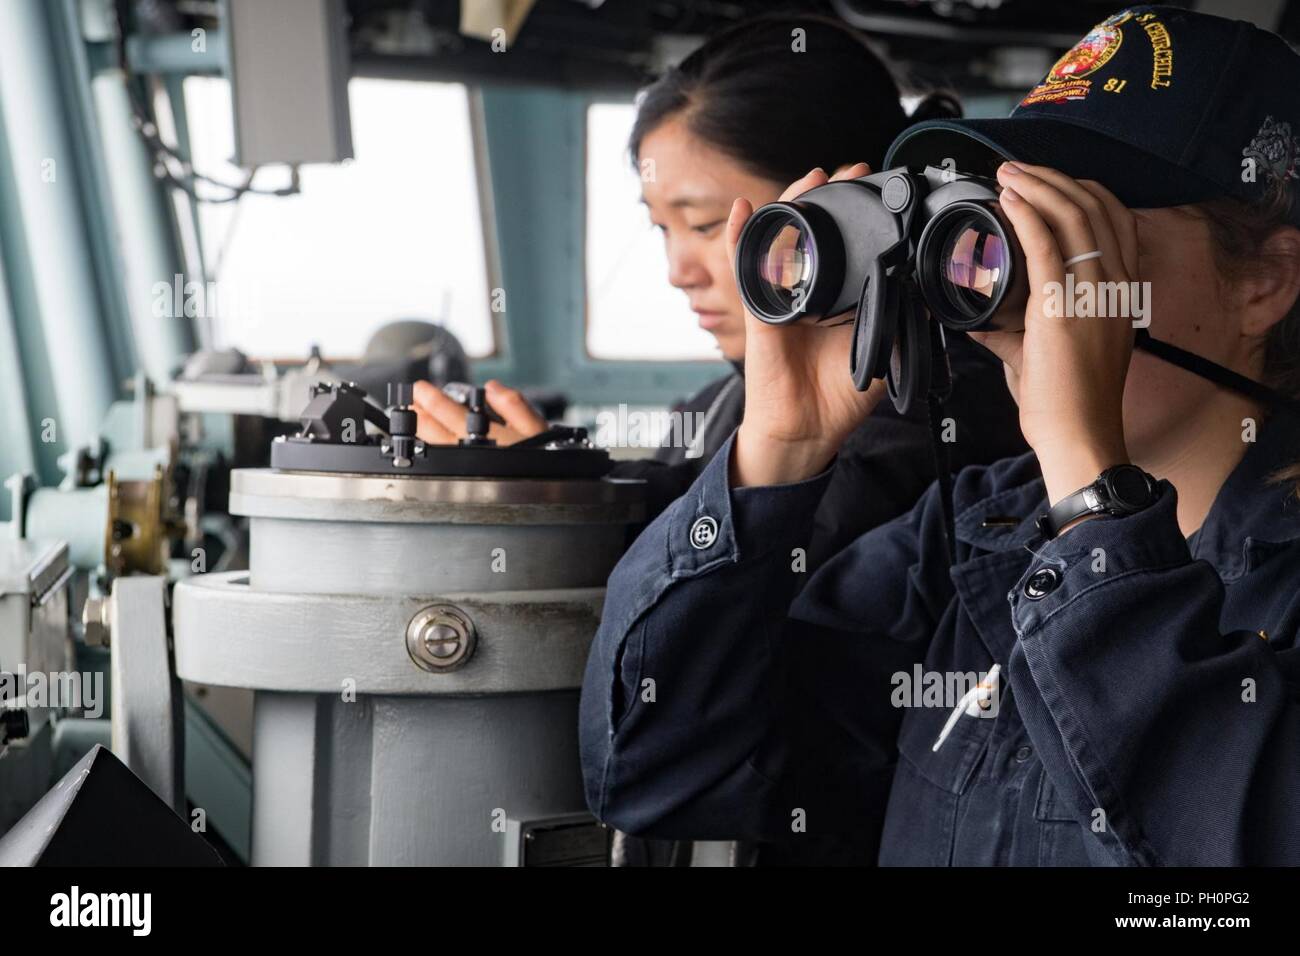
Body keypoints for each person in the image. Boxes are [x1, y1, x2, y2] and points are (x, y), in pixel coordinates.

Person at [578, 5, 1300, 866]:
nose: (1025, 292)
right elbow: (661, 773)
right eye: (1004, 232)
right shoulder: (973, 541)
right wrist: (776, 452)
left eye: (1080, 240)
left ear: (1263, 281)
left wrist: (1088, 485)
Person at [411, 15, 1026, 573]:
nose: (679, 270)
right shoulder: (715, 403)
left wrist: (559, 501)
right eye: (661, 227)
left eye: (705, 225)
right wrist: (551, 481)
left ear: (843, 208)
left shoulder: (941, 396)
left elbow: (795, 563)